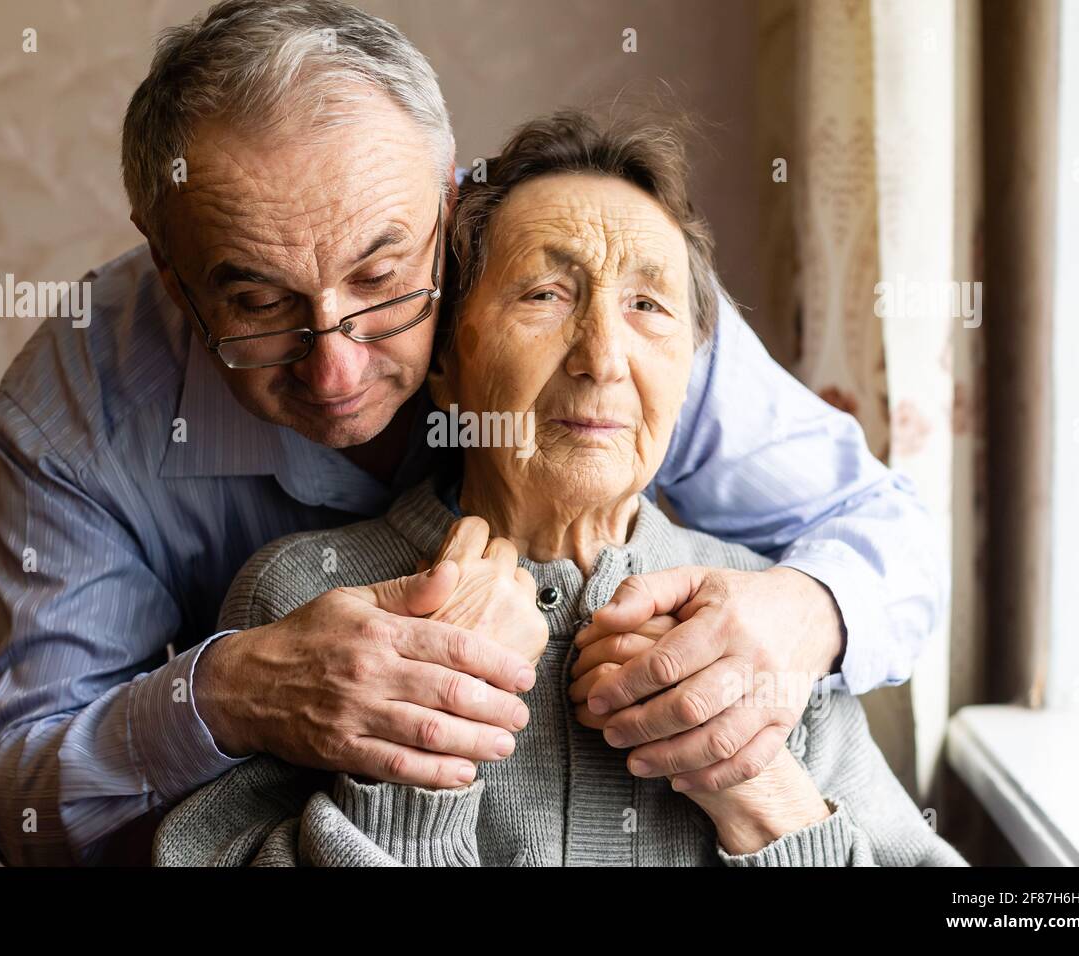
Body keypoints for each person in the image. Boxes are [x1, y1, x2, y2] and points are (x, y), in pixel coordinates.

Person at [0, 0, 945, 865]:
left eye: (384, 278)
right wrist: (238, 688)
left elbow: (885, 536)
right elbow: (27, 807)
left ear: (448, 210)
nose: (336, 370)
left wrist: (797, 630)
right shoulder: (96, 413)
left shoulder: (610, 288)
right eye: (257, 300)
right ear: (172, 270)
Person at [154, 111, 964, 866]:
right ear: (445, 360)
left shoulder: (761, 626)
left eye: (648, 306)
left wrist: (769, 801)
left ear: (691, 370)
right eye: (546, 295)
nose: (603, 357)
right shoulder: (299, 598)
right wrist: (420, 757)